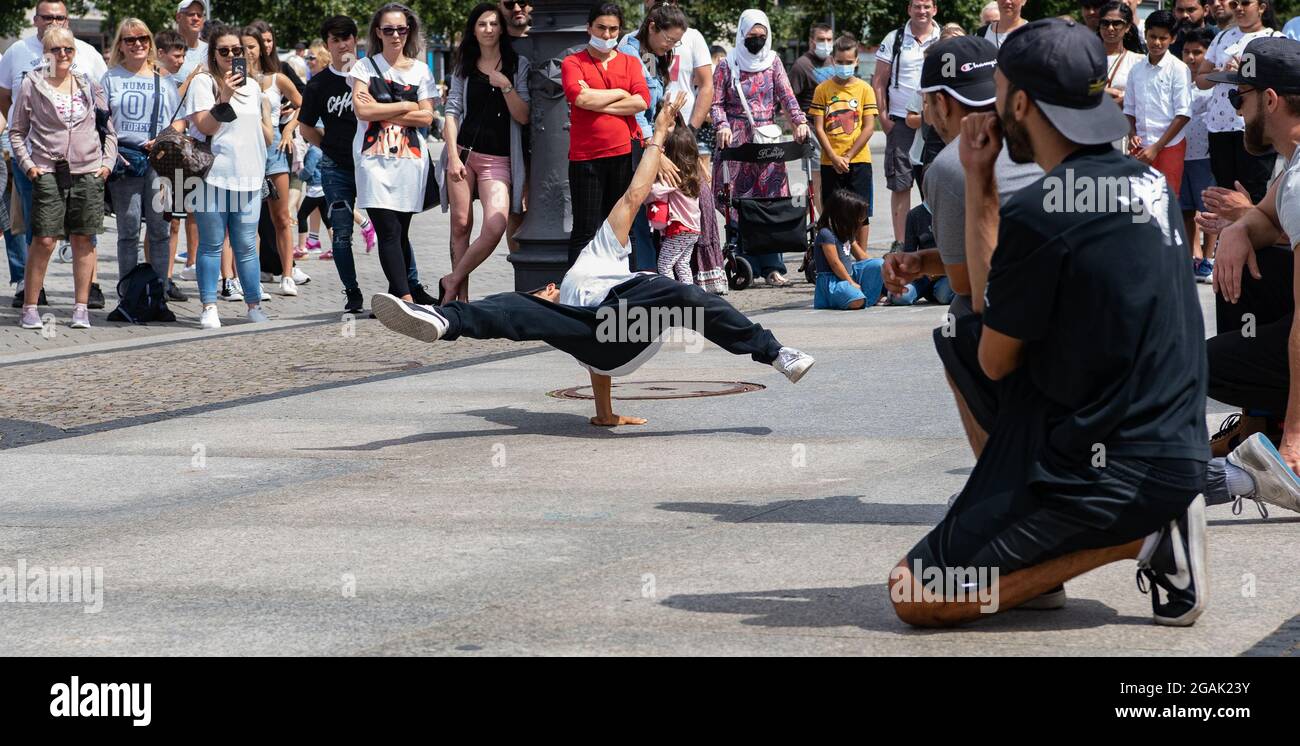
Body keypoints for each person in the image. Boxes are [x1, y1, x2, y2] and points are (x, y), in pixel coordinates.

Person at [891, 19, 1215, 628]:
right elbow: (991, 322)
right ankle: (1049, 541)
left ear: (1019, 103)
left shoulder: (1044, 211)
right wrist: (983, 181)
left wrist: (980, 176)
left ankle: (1136, 541)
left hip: (1115, 470)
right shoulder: (1149, 184)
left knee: (916, 594)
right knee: (958, 337)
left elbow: (995, 359)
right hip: (1174, 441)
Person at [371, 93, 816, 427]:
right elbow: (596, 363)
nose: (544, 291)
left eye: (545, 289)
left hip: (635, 317)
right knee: (517, 311)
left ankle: (776, 352)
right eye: (545, 292)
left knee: (688, 299)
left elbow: (635, 194)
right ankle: (443, 320)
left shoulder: (599, 255)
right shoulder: (565, 309)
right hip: (607, 341)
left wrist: (658, 133)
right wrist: (605, 415)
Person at [882, 35, 1042, 328]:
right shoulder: (1042, 133)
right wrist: (921, 262)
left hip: (1034, 314)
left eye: (927, 103)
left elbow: (965, 279)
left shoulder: (948, 165)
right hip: (1091, 300)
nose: (927, 115)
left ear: (941, 104)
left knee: (960, 315)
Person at [1201, 37, 1300, 467]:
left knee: (1200, 365)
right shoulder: (1293, 165)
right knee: (1245, 258)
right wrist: (1240, 230)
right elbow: (1263, 216)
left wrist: (1296, 441)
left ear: (1271, 100)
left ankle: (1285, 430)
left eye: (1239, 96)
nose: (1236, 109)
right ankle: (1259, 424)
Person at [0, 1, 108, 307]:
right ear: (36, 19)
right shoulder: (17, 51)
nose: (54, 21)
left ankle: (90, 285)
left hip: (81, 159)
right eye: (47, 17)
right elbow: (5, 96)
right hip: (33, 155)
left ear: (69, 20)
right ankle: (29, 286)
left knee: (83, 226)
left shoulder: (87, 53)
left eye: (60, 16)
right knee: (33, 226)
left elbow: (102, 105)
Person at [177, 24, 272, 329]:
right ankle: (208, 306)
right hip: (213, 177)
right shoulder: (204, 83)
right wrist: (226, 95)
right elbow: (205, 127)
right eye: (224, 51)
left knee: (245, 245)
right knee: (211, 244)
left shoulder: (255, 87)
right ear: (213, 54)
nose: (232, 56)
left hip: (250, 177)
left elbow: (256, 133)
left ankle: (253, 303)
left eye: (237, 51)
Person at [438, 3, 531, 304]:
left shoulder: (518, 64)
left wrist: (505, 86)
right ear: (473, 29)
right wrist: (452, 156)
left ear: (502, 28)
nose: (488, 29)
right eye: (482, 24)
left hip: (499, 160)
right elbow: (451, 111)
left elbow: (523, 116)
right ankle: (460, 300)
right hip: (463, 154)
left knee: (495, 224)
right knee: (461, 226)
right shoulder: (464, 64)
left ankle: (450, 280)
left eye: (493, 24)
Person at [711, 8, 809, 286]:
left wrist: (799, 122)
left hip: (766, 138)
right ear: (741, 34)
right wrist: (723, 125)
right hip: (737, 138)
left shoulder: (774, 62)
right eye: (751, 35)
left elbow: (787, 97)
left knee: (770, 201)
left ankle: (773, 266)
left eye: (761, 35)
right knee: (740, 200)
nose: (756, 40)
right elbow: (716, 103)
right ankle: (745, 263)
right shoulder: (727, 65)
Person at [350, 3, 438, 306]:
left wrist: (383, 110)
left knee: (400, 231)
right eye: (388, 29)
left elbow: (428, 118)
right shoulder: (363, 67)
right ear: (378, 32)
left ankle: (397, 292)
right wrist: (406, 106)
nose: (396, 35)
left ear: (409, 31)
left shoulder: (421, 70)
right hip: (373, 161)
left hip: (410, 161)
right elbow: (362, 110)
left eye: (401, 29)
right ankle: (405, 297)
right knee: (387, 229)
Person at [297, 16, 381, 313]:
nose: (343, 43)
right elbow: (306, 127)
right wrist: (328, 147)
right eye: (336, 39)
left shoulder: (373, 72)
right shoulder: (319, 84)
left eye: (347, 37)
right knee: (342, 233)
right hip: (337, 168)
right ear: (327, 44)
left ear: (355, 40)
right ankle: (352, 292)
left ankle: (406, 287)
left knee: (391, 228)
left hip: (374, 162)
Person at [561, 3, 650, 268]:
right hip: (585, 157)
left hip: (622, 154)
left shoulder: (630, 62)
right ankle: (575, 294)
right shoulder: (572, 61)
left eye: (613, 29)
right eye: (601, 28)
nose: (607, 34)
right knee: (585, 231)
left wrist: (596, 101)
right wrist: (623, 95)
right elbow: (579, 96)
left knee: (624, 229)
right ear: (589, 27)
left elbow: (642, 101)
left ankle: (627, 287)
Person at [102, 18, 182, 300]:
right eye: (130, 39)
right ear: (120, 45)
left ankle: (158, 293)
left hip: (160, 161)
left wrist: (163, 138)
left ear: (150, 43)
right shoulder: (110, 78)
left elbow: (178, 121)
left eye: (143, 38)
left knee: (161, 228)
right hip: (125, 161)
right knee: (128, 229)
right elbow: (101, 121)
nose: (137, 44)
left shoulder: (164, 79)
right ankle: (129, 294)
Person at [1194, 0, 1283, 205]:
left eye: (1245, 3)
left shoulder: (1274, 39)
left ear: (1261, 7)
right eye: (1234, 4)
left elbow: (1281, 82)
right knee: (1224, 191)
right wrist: (1222, 74)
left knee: (1253, 190)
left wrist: (1244, 74)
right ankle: (1226, 236)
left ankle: (1254, 235)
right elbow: (1201, 79)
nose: (1239, 9)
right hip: (1220, 126)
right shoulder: (1222, 36)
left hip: (1254, 125)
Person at [240, 25, 305, 297]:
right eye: (241, 48)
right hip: (244, 152)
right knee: (248, 221)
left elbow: (303, 102)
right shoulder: (234, 79)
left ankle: (287, 275)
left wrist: (289, 129)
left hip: (274, 151)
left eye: (251, 46)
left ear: (262, 48)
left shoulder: (277, 78)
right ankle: (249, 279)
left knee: (281, 216)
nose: (247, 52)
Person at [873, 0, 940, 251]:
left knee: (932, 181)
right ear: (909, 9)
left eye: (926, 6)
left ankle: (932, 239)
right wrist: (883, 117)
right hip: (901, 121)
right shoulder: (895, 38)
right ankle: (901, 242)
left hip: (935, 123)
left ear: (935, 9)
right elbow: (879, 80)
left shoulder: (943, 36)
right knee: (901, 184)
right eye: (916, 6)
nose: (921, 11)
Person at [811, 34, 878, 254]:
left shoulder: (864, 89)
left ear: (857, 61)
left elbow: (868, 127)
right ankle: (838, 256)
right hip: (830, 161)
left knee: (861, 212)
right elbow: (819, 127)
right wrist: (833, 156)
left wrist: (848, 156)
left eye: (849, 62)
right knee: (834, 212)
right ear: (832, 60)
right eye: (840, 62)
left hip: (858, 161)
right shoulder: (822, 90)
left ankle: (863, 258)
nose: (844, 66)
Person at [1124, 10, 1192, 191]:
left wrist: (1156, 147)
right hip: (1140, 145)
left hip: (1169, 145)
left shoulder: (1179, 69)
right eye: (1152, 36)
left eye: (1163, 38)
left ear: (1173, 39)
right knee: (1137, 199)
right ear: (1145, 35)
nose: (1156, 42)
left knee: (1166, 200)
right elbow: (1129, 109)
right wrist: (1132, 135)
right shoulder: (1136, 70)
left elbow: (1183, 113)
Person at [1179, 26, 1220, 282]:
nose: (1192, 58)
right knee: (1186, 209)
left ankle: (1209, 256)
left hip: (1204, 155)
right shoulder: (1178, 80)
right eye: (1186, 52)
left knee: (1207, 208)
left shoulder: (1212, 85)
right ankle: (1192, 256)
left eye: (1198, 52)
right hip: (1180, 154)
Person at [645, 121, 702, 284]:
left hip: (680, 229)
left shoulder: (674, 176)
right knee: (683, 265)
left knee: (664, 266)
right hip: (693, 230)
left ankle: (671, 294)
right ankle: (689, 294)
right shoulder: (692, 174)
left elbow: (655, 191)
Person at [812, 188, 884, 310]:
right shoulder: (826, 233)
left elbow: (862, 257)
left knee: (880, 264)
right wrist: (851, 282)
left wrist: (883, 268)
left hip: (848, 275)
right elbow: (835, 264)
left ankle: (863, 297)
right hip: (833, 281)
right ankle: (855, 298)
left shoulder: (845, 232)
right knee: (856, 301)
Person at [789, 22, 834, 212]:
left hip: (835, 128)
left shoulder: (834, 62)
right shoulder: (802, 65)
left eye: (829, 39)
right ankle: (822, 226)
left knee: (832, 178)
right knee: (817, 178)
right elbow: (789, 101)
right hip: (813, 128)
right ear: (811, 41)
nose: (825, 43)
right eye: (821, 40)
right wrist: (796, 129)